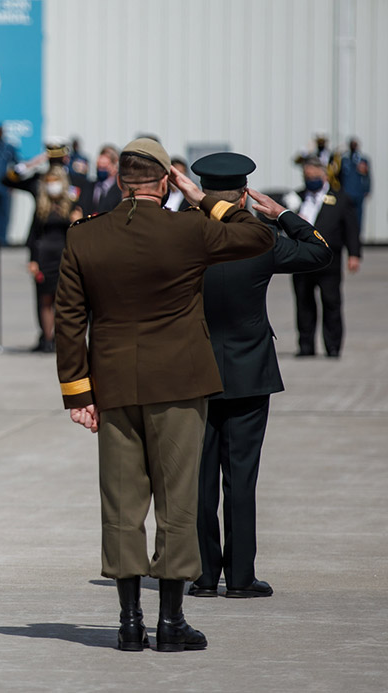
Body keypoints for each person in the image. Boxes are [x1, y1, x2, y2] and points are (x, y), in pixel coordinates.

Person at [54, 137, 274, 652]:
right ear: (163, 181)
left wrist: (77, 393)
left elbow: (68, 321)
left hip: (113, 385)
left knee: (122, 504)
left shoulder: (85, 238)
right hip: (179, 383)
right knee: (178, 503)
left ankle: (129, 623)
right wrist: (199, 196)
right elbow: (255, 235)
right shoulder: (191, 228)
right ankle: (171, 623)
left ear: (119, 182)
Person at [187, 153, 333, 601]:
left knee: (199, 479)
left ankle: (205, 575)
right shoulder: (262, 238)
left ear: (204, 192)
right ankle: (242, 577)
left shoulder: (186, 238)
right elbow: (319, 253)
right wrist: (283, 214)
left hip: (194, 370)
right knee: (241, 478)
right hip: (250, 370)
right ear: (244, 193)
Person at [2, 165, 82, 353]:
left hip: (64, 256)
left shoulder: (71, 202)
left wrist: (76, 220)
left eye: (55, 181)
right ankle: (47, 339)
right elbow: (33, 235)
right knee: (44, 298)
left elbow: (80, 232)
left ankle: (63, 340)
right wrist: (32, 260)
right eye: (49, 182)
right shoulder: (42, 205)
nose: (51, 185)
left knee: (63, 301)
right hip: (45, 256)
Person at [290, 157, 361, 358]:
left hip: (329, 260)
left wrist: (354, 254)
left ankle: (333, 346)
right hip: (301, 260)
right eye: (306, 176)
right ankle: (306, 346)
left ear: (323, 175)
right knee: (303, 303)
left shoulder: (340, 198)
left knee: (331, 302)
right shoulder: (296, 197)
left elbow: (351, 228)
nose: (310, 179)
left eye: (313, 175)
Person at [337, 138, 372, 235]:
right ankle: (346, 235)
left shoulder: (362, 160)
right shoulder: (344, 159)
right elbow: (339, 176)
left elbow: (367, 176)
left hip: (358, 192)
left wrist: (367, 189)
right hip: (347, 191)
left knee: (358, 216)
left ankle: (357, 235)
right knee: (346, 215)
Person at [79, 145, 121, 216]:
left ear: (115, 167)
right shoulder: (88, 187)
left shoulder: (120, 191)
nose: (101, 171)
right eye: (99, 167)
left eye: (104, 167)